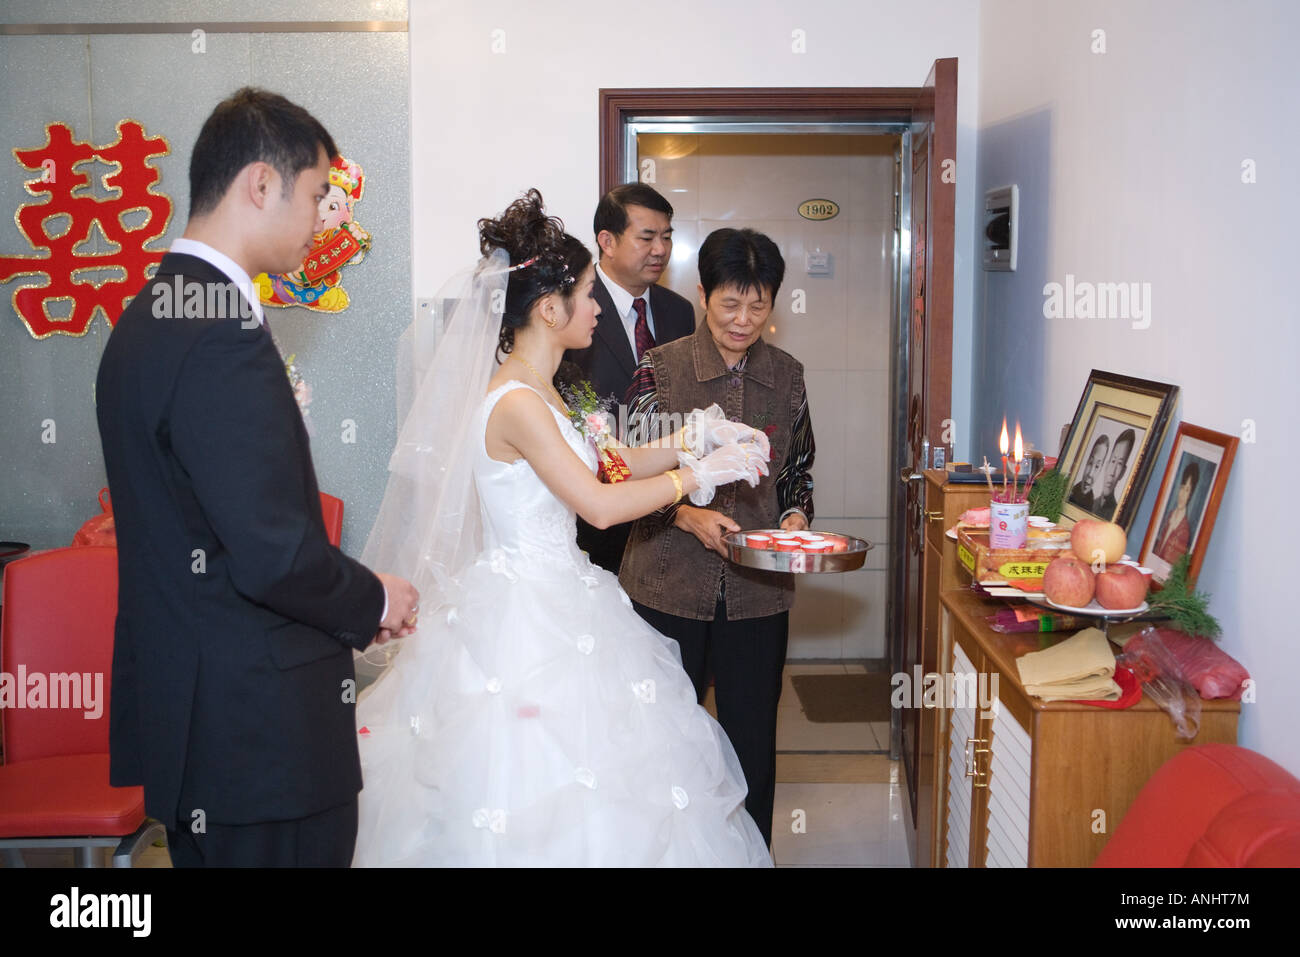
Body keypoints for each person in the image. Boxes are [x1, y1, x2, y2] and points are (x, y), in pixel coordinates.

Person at [352, 190, 774, 866]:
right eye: (585, 295)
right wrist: (699, 477)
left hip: (571, 594)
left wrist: (696, 435)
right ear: (548, 309)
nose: (598, 308)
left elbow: (611, 463)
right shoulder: (515, 400)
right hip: (523, 616)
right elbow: (599, 506)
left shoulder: (560, 386)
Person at [94, 88, 419, 867]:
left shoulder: (151, 316)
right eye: (315, 195)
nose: (321, 219)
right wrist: (373, 595)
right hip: (262, 739)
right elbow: (271, 552)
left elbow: (215, 530)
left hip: (203, 722)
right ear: (260, 185)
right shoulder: (218, 331)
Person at [619, 227, 816, 846]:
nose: (744, 320)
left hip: (759, 593)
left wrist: (794, 520)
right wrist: (685, 513)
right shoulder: (659, 368)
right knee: (664, 740)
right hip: (666, 585)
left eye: (759, 306)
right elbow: (619, 471)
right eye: (731, 303)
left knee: (751, 738)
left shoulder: (787, 374)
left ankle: (752, 855)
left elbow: (797, 470)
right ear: (703, 293)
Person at [566, 183, 696, 575]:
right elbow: (579, 425)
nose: (660, 249)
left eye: (667, 237)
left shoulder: (680, 312)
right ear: (607, 241)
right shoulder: (573, 312)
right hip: (598, 523)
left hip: (675, 527)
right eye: (647, 237)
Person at [1153, 461, 1200, 565]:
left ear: (1191, 495)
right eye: (1182, 488)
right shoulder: (1169, 515)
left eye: (1187, 490)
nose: (1182, 494)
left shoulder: (1184, 531)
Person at [1093, 428, 1136, 519]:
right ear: (1107, 464)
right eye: (1113, 461)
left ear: (1123, 472)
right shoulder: (1091, 504)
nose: (1112, 473)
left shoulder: (1116, 516)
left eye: (1119, 463)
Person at [1069, 434, 1109, 513]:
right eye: (1090, 463)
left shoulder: (1095, 508)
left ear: (1101, 470)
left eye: (1097, 466)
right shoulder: (1068, 493)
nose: (1090, 474)